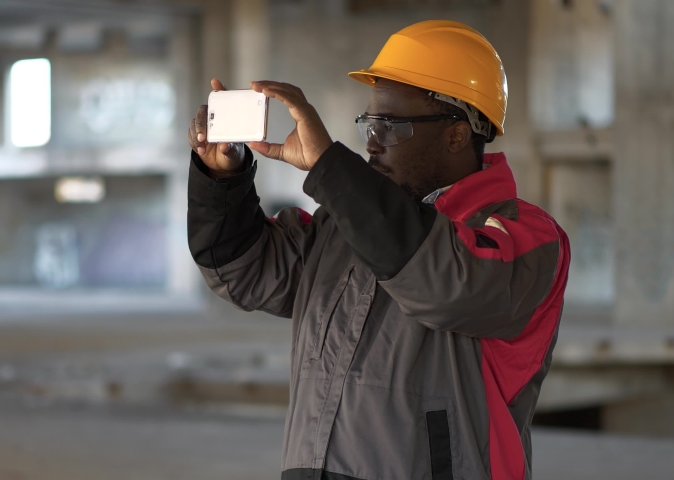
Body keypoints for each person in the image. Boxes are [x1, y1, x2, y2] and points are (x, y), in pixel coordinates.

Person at [186, 20, 569, 480]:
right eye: (370, 124)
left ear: (455, 135)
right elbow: (243, 272)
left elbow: (446, 283)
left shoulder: (528, 238)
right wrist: (222, 178)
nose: (371, 141)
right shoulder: (345, 226)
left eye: (390, 126)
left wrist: (332, 169)